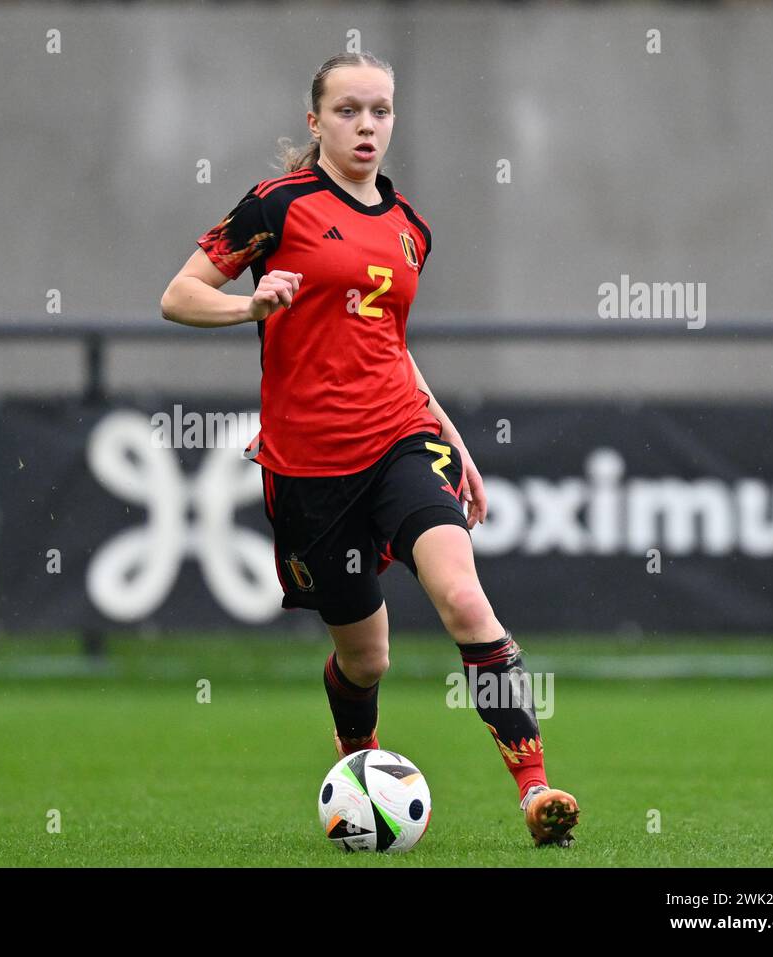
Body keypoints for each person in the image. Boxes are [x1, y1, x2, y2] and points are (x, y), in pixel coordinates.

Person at [160, 52, 578, 847]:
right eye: (348, 110)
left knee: (464, 598)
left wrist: (450, 434)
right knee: (367, 659)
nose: (366, 126)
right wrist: (250, 306)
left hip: (400, 440)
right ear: (315, 122)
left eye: (380, 111)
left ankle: (536, 789)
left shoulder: (410, 227)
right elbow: (178, 296)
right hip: (308, 470)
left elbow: (389, 343)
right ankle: (359, 759)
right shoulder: (276, 205)